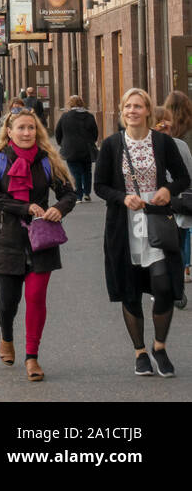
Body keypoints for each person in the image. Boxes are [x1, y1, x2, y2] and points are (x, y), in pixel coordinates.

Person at [94, 88, 191, 377]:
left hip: (157, 221)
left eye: (138, 106)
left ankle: (159, 347)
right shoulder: (111, 145)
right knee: (130, 289)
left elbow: (184, 177)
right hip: (123, 226)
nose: (132, 111)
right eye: (127, 106)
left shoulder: (163, 142)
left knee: (163, 285)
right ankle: (140, 352)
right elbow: (100, 186)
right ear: (122, 111)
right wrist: (122, 197)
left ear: (148, 110)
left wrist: (166, 190)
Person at [0, 105, 77, 381]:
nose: (26, 132)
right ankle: (6, 336)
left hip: (40, 240)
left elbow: (69, 193)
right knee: (8, 301)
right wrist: (23, 207)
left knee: (35, 298)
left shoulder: (47, 159)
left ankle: (32, 357)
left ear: (38, 131)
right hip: (6, 239)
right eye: (20, 128)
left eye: (31, 127)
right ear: (9, 132)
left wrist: (60, 208)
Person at [154, 106, 192, 308]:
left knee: (161, 250)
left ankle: (168, 289)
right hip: (181, 206)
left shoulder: (149, 147)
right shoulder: (181, 145)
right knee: (176, 248)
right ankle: (177, 290)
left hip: (162, 207)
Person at [54, 95, 99, 202]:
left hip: (71, 149)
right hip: (87, 149)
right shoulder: (89, 116)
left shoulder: (65, 116)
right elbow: (95, 133)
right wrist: (91, 142)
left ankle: (78, 195)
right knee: (87, 171)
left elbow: (58, 132)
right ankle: (87, 193)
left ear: (70, 104)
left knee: (75, 173)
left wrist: (62, 143)